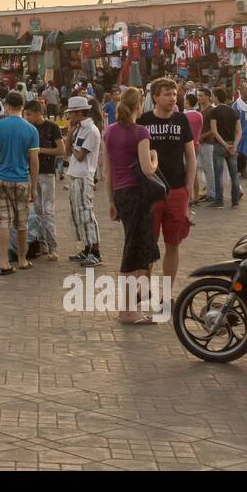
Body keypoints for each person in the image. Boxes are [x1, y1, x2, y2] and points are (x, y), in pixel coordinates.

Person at [103, 87, 160, 323]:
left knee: (138, 247)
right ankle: (128, 309)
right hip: (138, 193)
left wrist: (111, 201)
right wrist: (156, 158)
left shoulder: (110, 132)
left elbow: (107, 171)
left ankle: (133, 303)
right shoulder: (141, 133)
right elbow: (148, 169)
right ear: (140, 106)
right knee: (134, 251)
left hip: (121, 194)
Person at [138, 78, 197, 293]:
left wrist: (188, 188)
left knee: (173, 243)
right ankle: (144, 290)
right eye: (167, 94)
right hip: (151, 192)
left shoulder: (182, 120)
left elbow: (190, 156)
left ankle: (166, 292)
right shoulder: (144, 121)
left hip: (177, 190)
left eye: (174, 94)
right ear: (155, 97)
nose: (173, 98)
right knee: (149, 244)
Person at [0, 91, 40, 275]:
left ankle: (4, 262)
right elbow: (34, 161)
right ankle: (22, 259)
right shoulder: (31, 129)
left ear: (6, 106)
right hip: (21, 181)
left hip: (1, 180)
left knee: (3, 222)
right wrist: (34, 187)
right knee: (22, 223)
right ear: (23, 107)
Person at [64, 95, 103, 266]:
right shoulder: (79, 129)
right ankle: (87, 248)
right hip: (74, 174)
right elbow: (67, 153)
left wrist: (71, 142)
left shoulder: (91, 131)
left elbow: (80, 156)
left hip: (83, 175)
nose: (69, 116)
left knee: (86, 214)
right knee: (77, 214)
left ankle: (95, 251)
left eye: (71, 113)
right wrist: (70, 134)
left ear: (80, 113)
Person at [22, 99, 63, 260]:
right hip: (32, 173)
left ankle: (53, 247)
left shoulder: (52, 127)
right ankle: (42, 244)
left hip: (47, 172)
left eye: (29, 114)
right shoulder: (28, 128)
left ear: (39, 113)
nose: (27, 117)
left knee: (48, 211)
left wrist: (41, 150)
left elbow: (61, 150)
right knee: (37, 211)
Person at [205, 87, 243, 208]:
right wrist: (234, 146)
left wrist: (225, 145)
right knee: (234, 175)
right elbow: (239, 131)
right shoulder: (233, 112)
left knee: (218, 174)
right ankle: (235, 201)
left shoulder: (214, 112)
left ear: (216, 97)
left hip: (219, 145)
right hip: (232, 145)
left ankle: (219, 201)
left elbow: (214, 131)